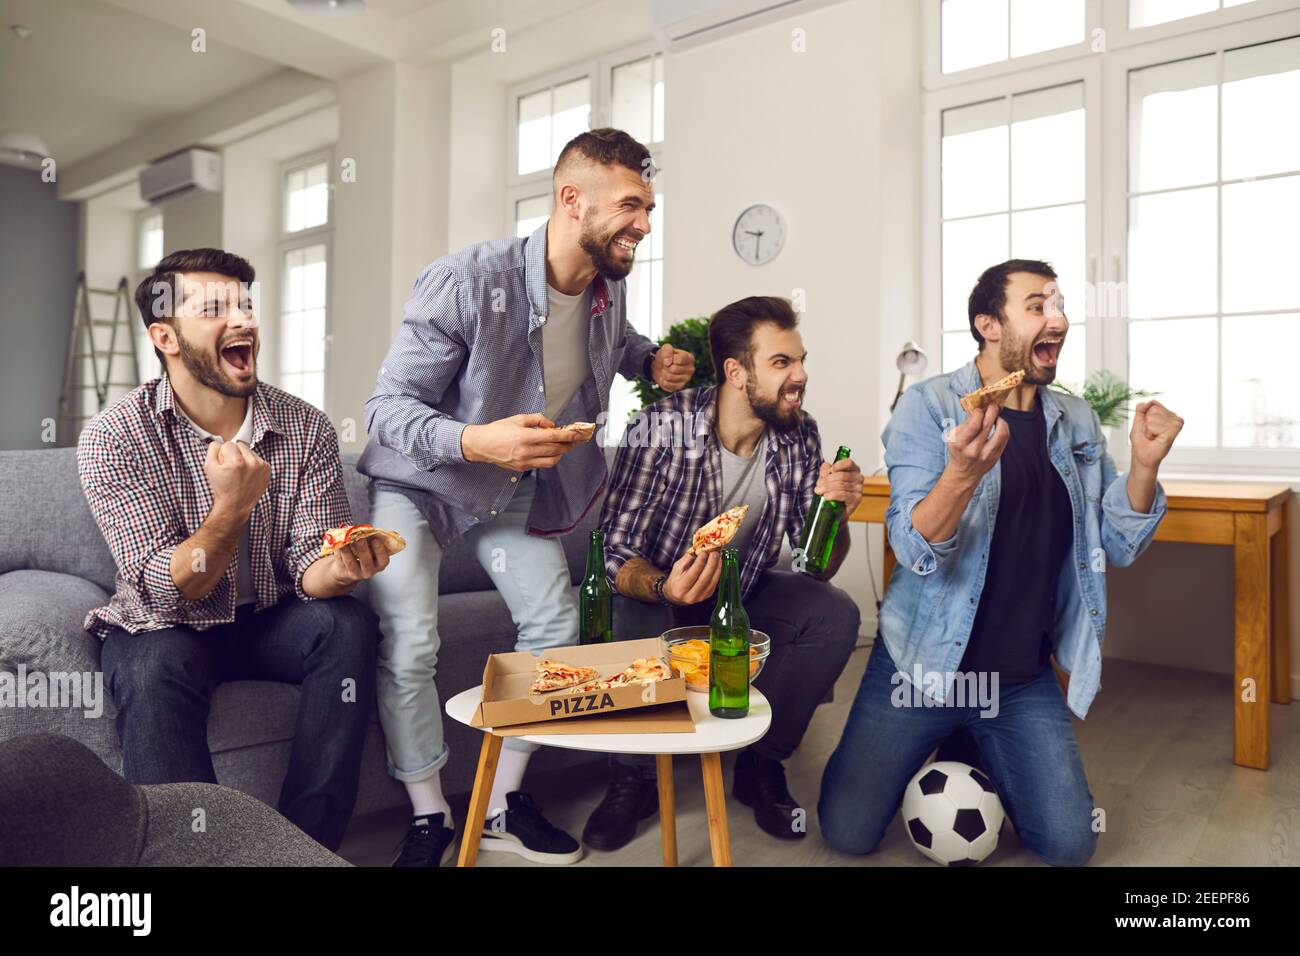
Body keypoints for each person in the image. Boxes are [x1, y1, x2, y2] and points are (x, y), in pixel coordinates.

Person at [358, 128, 694, 866]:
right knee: (412, 641)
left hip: (513, 488)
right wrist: (477, 441)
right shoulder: (465, 280)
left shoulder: (610, 281)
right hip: (423, 485)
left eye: (649, 207)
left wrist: (651, 359)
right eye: (632, 206)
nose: (645, 224)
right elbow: (385, 410)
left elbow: (611, 341)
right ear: (572, 200)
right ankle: (427, 816)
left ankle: (499, 803)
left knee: (554, 626)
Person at [818, 259, 1184, 865]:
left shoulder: (1076, 420)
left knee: (1070, 845)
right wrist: (962, 473)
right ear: (988, 324)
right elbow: (913, 548)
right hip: (920, 670)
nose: (1059, 319)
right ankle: (950, 735)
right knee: (848, 832)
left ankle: (975, 739)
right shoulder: (929, 408)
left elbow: (1116, 546)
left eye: (1059, 304)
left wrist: (1144, 467)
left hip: (1018, 678)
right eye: (1037, 305)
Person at [79, 248, 388, 852]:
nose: (243, 320)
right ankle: (196, 855)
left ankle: (304, 849)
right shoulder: (115, 434)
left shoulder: (304, 427)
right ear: (165, 336)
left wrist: (340, 568)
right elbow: (169, 586)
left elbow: (310, 564)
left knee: (347, 624)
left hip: (267, 620)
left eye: (246, 304)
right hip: (165, 624)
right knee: (150, 667)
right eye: (216, 308)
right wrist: (232, 507)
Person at [583, 296, 862, 850]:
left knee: (833, 614)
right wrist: (663, 584)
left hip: (743, 591)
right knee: (628, 604)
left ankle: (760, 765)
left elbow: (815, 565)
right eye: (782, 363)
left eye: (800, 360)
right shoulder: (661, 427)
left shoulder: (799, 433)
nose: (800, 376)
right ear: (736, 372)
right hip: (662, 596)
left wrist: (836, 515)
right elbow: (614, 549)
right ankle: (633, 777)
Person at [0, 733, 349, 867]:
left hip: (144, 811)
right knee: (155, 665)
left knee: (345, 625)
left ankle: (319, 833)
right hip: (156, 625)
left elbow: (306, 576)